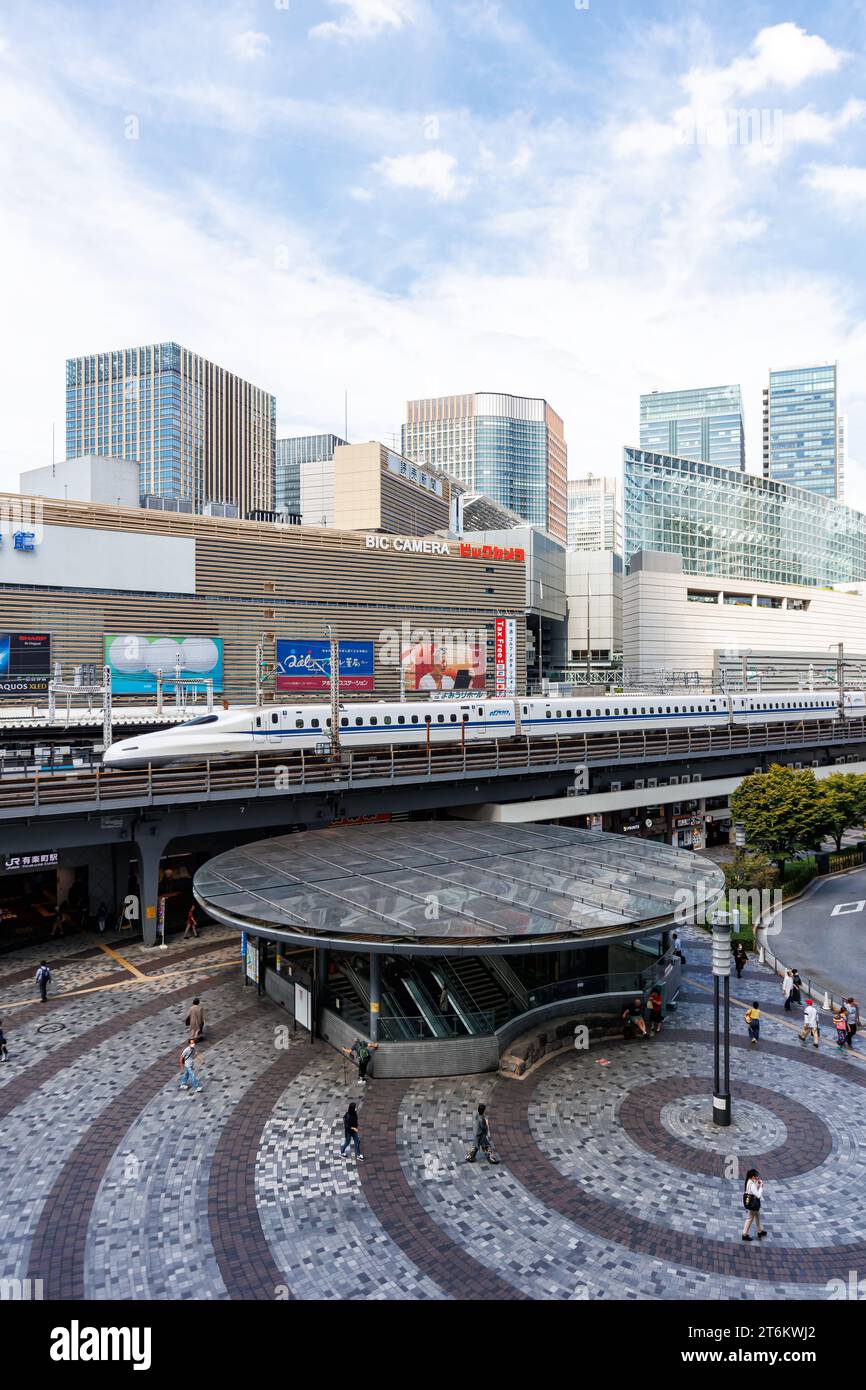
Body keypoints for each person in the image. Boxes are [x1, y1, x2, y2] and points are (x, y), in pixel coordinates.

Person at [742, 1168, 766, 1242]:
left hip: (752, 1202)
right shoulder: (752, 1184)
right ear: (752, 1177)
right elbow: (758, 1195)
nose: (757, 1177)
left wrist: (757, 1184)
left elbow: (753, 1191)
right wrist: (761, 1187)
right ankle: (744, 1234)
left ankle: (759, 1231)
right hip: (753, 1204)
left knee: (757, 1216)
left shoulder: (749, 1181)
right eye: (756, 1176)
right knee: (749, 1218)